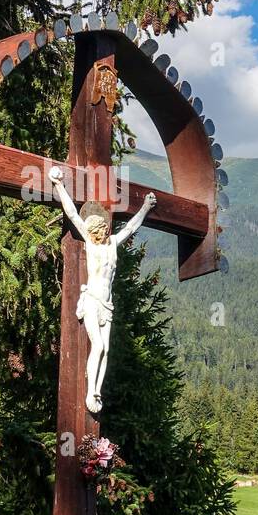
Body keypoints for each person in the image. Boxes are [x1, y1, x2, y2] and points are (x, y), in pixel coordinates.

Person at [48, 166, 155, 413]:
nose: (105, 230)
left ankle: (97, 389)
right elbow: (73, 214)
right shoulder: (91, 244)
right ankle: (89, 392)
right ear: (94, 230)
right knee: (97, 346)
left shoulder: (113, 244)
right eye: (101, 228)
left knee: (106, 349)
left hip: (107, 304)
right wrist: (59, 185)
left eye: (105, 228)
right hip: (93, 300)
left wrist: (145, 208)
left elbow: (130, 228)